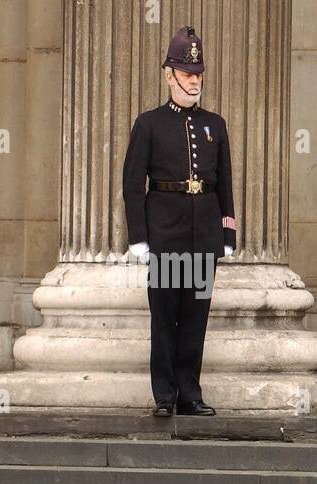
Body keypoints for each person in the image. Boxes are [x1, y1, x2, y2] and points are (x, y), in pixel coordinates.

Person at [122, 25, 234, 417]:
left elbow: (224, 182)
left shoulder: (214, 124)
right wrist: (139, 238)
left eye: (199, 74)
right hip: (165, 233)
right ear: (169, 74)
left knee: (195, 317)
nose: (194, 80)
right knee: (165, 316)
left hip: (203, 233)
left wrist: (226, 231)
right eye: (188, 74)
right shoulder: (149, 123)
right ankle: (165, 396)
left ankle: (190, 392)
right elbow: (133, 184)